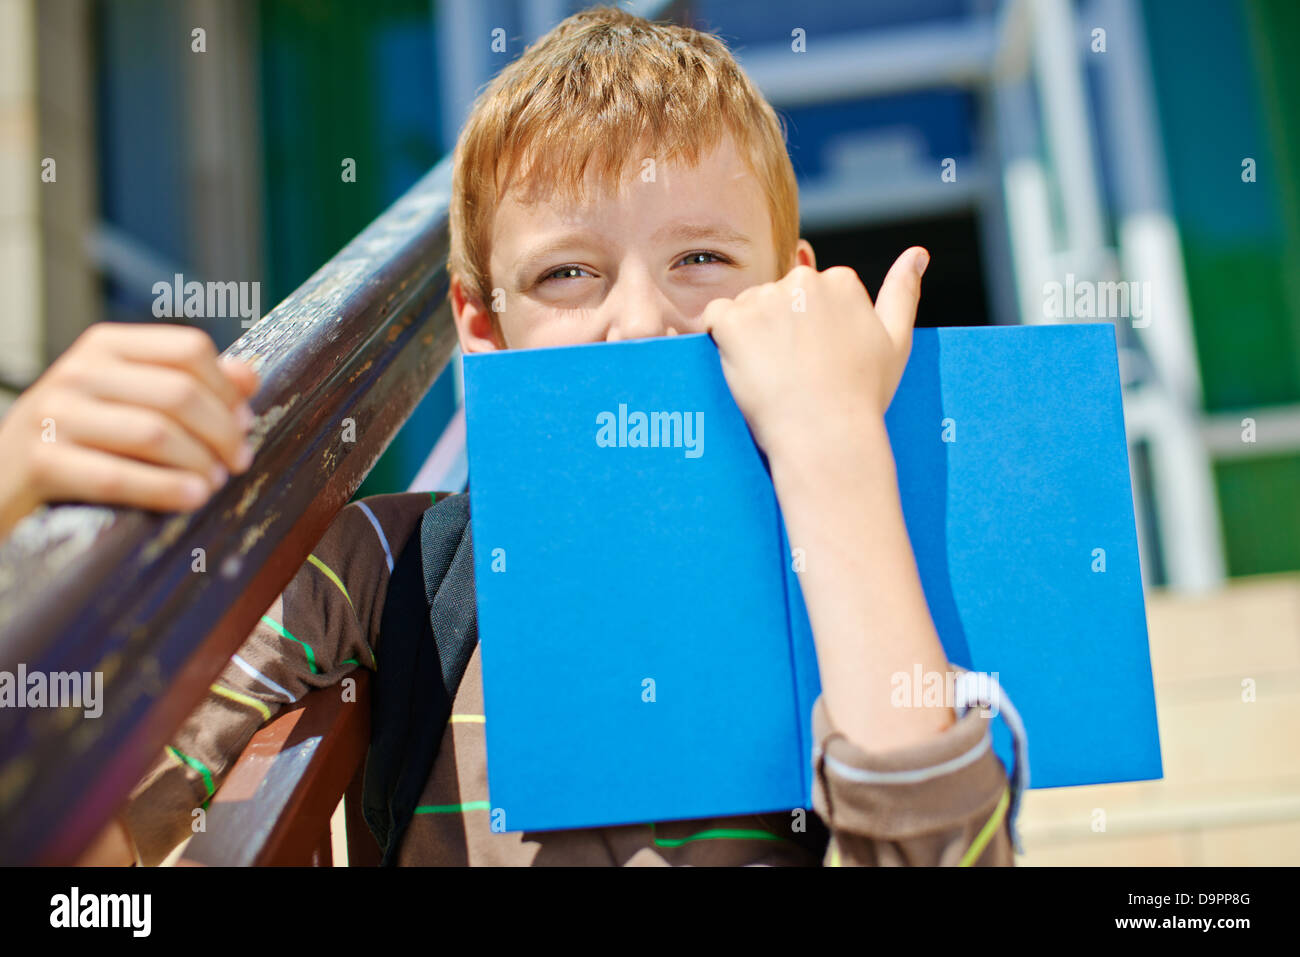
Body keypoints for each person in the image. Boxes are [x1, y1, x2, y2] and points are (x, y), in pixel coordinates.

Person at [29, 6, 1018, 866]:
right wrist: (19, 483)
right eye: (567, 274)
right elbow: (76, 841)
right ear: (483, 330)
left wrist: (834, 445)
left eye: (703, 256)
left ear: (793, 292)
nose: (638, 321)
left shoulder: (852, 545)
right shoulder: (392, 567)